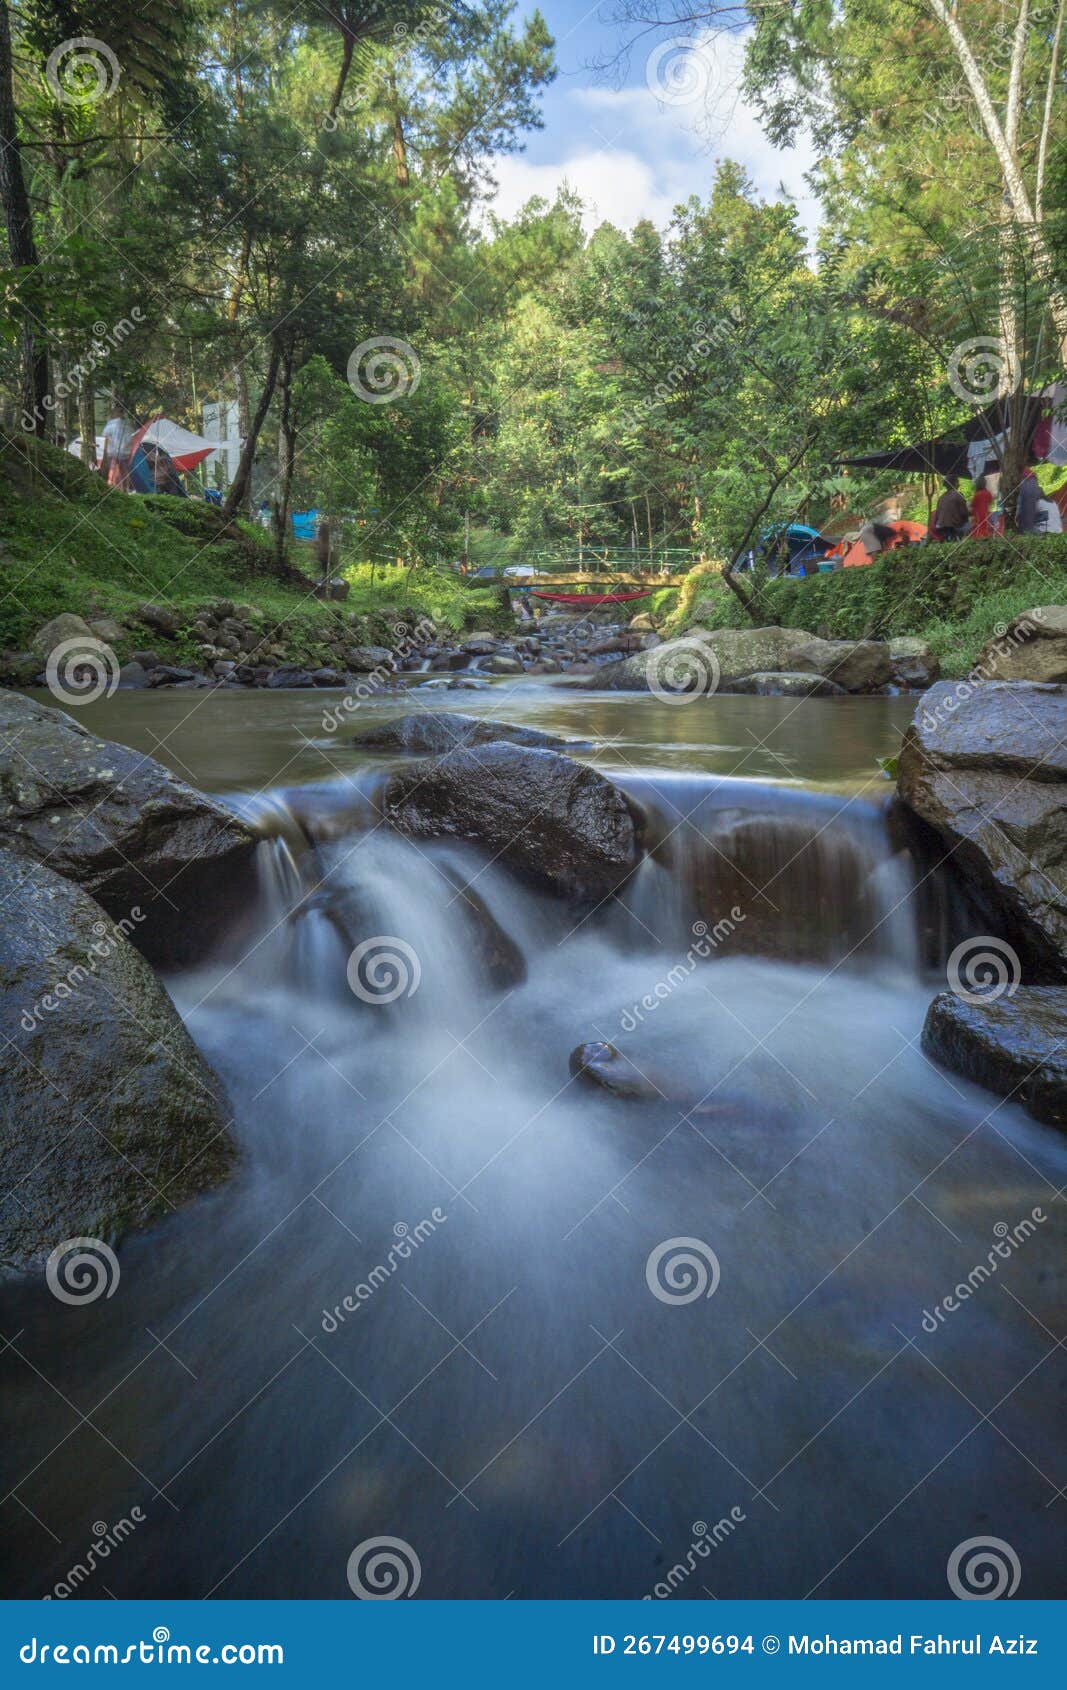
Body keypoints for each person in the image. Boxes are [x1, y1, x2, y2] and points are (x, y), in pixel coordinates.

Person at [99, 399, 134, 490]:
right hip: (125, 453)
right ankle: (125, 489)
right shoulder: (128, 425)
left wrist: (104, 454)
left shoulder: (109, 425)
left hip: (113, 453)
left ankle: (116, 489)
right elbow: (132, 440)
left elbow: (105, 440)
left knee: (113, 473)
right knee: (124, 473)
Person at [932, 476, 969, 541]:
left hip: (940, 527)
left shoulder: (941, 498)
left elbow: (937, 515)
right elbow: (964, 513)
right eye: (957, 482)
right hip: (954, 527)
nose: (959, 484)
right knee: (971, 526)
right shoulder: (958, 495)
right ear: (954, 483)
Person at [1017, 468, 1041, 533]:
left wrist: (1017, 515)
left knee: (1025, 527)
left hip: (1024, 512)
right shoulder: (1036, 485)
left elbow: (1019, 502)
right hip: (1034, 513)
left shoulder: (1024, 483)